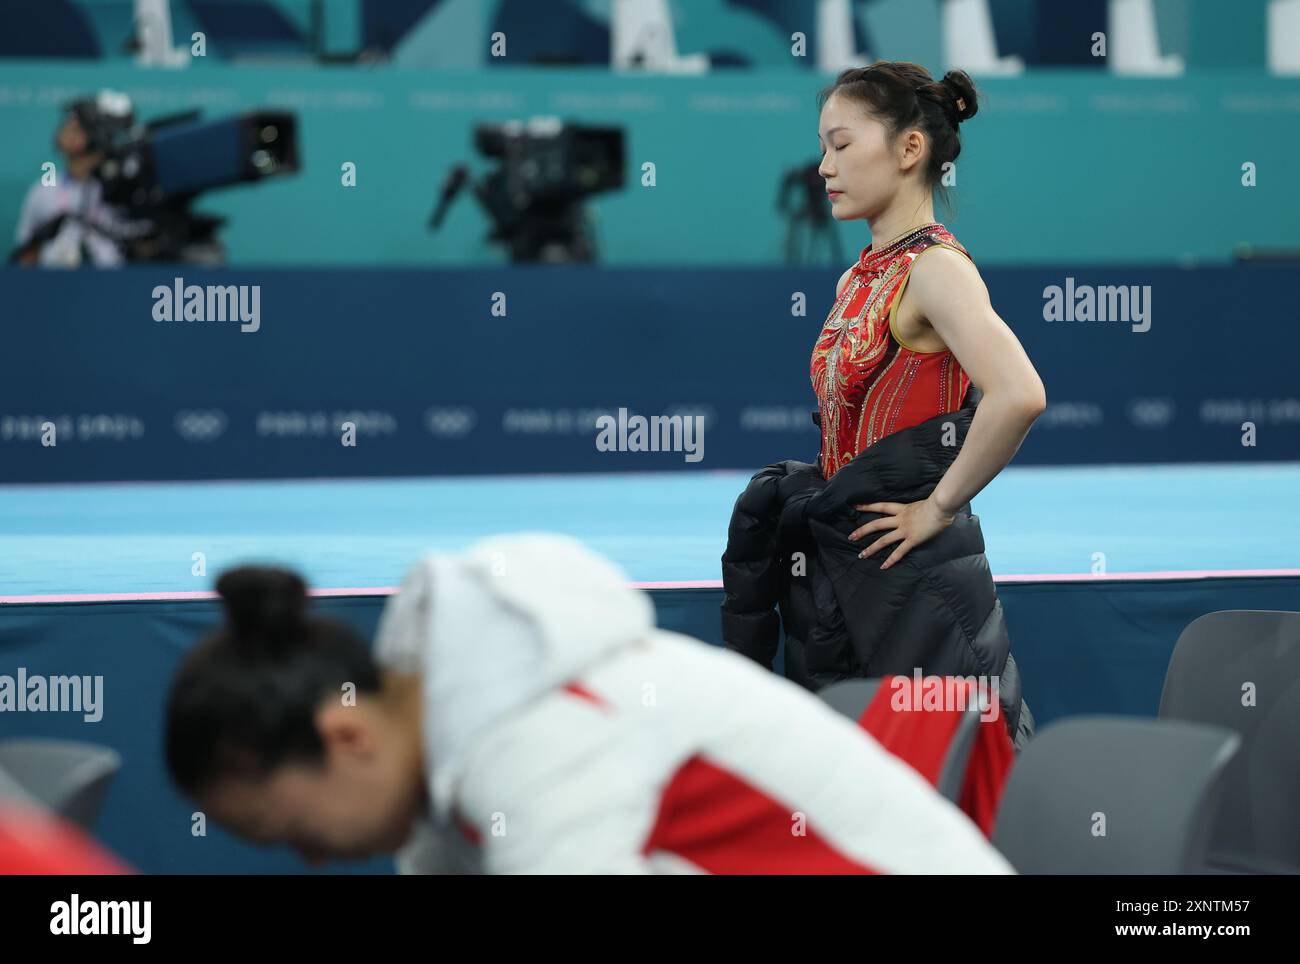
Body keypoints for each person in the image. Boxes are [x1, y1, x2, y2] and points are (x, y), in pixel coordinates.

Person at [165, 533, 1013, 874]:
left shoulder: (545, 747)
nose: (310, 861)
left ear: (346, 736)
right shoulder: (460, 768)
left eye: (290, 831)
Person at [722, 62, 1045, 747]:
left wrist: (938, 507)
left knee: (947, 776)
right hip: (847, 561)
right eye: (822, 147)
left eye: (841, 145)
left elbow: (1018, 394)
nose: (823, 167)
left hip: (915, 576)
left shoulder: (936, 272)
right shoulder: (858, 277)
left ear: (908, 150)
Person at [12, 91, 135, 267]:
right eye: (66, 125)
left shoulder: (123, 189)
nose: (65, 131)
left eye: (76, 127)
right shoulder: (43, 190)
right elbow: (25, 258)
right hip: (53, 285)